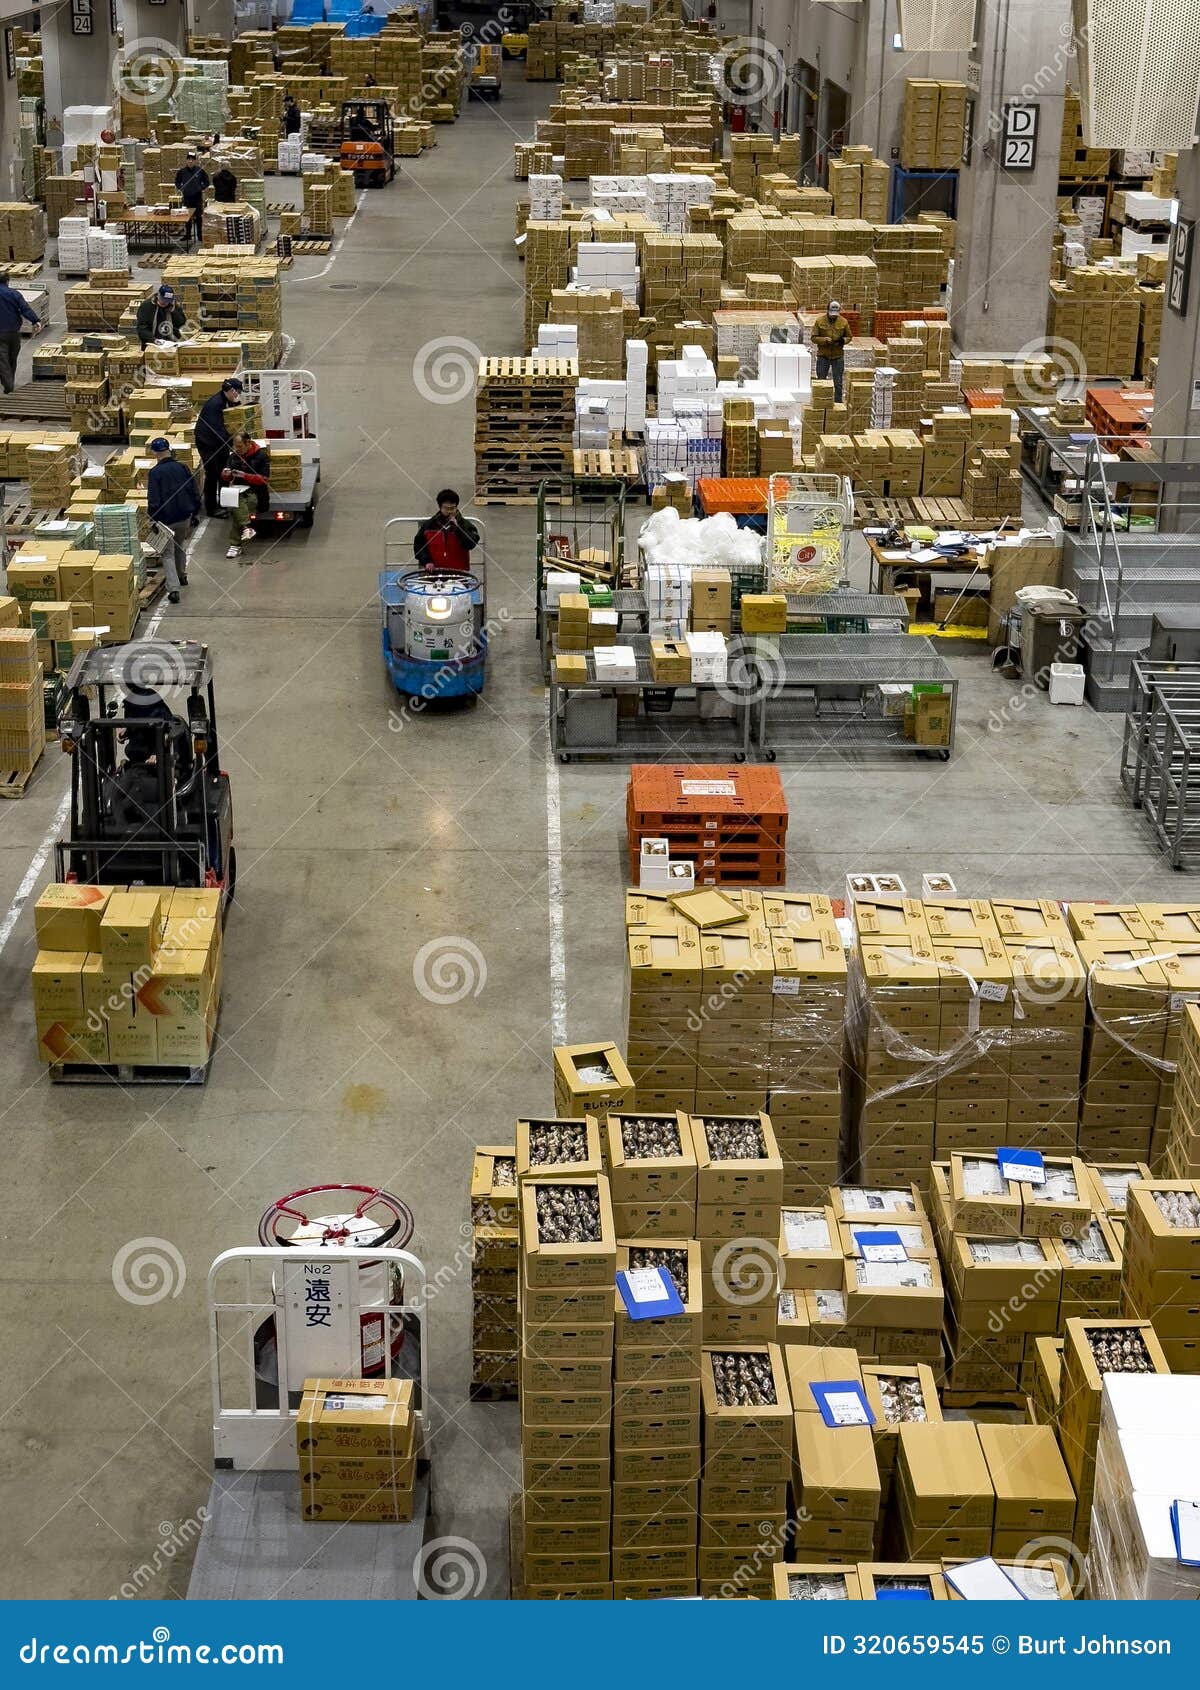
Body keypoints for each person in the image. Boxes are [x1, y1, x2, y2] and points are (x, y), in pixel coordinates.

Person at [147, 437, 201, 603]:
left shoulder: (155, 473)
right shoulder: (182, 467)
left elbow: (154, 499)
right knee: (180, 547)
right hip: (184, 516)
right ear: (169, 450)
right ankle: (182, 576)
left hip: (166, 520)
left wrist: (153, 519)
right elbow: (194, 490)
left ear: (155, 453)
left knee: (167, 554)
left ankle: (174, 589)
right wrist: (195, 512)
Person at [195, 375, 244, 518]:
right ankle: (211, 509)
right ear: (231, 391)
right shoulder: (215, 404)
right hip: (208, 444)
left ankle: (223, 502)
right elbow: (217, 430)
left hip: (218, 443)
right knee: (212, 475)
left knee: (224, 472)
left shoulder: (224, 400)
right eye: (237, 392)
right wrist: (234, 443)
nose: (238, 395)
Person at [221, 433, 271, 560]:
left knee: (238, 507)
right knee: (238, 502)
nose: (237, 449)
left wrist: (245, 476)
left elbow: (264, 479)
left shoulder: (261, 456)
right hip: (238, 491)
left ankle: (235, 544)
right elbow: (227, 475)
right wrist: (226, 474)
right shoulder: (233, 457)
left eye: (240, 446)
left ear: (248, 443)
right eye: (235, 447)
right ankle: (246, 528)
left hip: (255, 492)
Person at [414, 491, 480, 573]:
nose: (449, 511)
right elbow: (419, 545)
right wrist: (427, 561)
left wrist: (458, 529)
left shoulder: (465, 525)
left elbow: (470, 544)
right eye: (446, 508)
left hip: (459, 575)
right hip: (433, 574)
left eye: (452, 508)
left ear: (456, 507)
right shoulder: (428, 525)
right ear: (440, 507)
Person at [0, 271, 41, 393]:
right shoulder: (14, 294)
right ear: (8, 281)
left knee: (3, 360)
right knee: (12, 359)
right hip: (13, 333)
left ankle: (8, 383)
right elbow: (25, 308)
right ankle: (8, 383)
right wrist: (35, 321)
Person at [812, 298, 852, 404]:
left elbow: (849, 336)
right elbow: (813, 337)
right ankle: (820, 402)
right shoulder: (819, 321)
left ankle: (838, 403)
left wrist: (842, 340)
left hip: (837, 356)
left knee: (838, 383)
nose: (833, 316)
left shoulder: (843, 322)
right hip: (823, 356)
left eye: (835, 314)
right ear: (827, 310)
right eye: (831, 313)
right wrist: (824, 340)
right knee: (821, 381)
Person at [174, 150, 210, 245]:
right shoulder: (182, 172)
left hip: (197, 198)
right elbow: (177, 181)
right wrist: (181, 188)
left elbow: (207, 182)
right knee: (187, 217)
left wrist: (201, 188)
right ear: (186, 161)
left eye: (192, 160)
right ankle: (188, 234)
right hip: (187, 198)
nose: (190, 161)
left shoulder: (200, 171)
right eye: (189, 159)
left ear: (195, 161)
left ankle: (199, 235)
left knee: (198, 217)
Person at [135, 284, 185, 349]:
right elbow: (142, 328)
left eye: (167, 301)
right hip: (152, 342)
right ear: (158, 295)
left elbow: (181, 323)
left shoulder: (173, 306)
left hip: (170, 342)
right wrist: (154, 340)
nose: (164, 303)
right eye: (162, 299)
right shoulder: (146, 307)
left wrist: (174, 312)